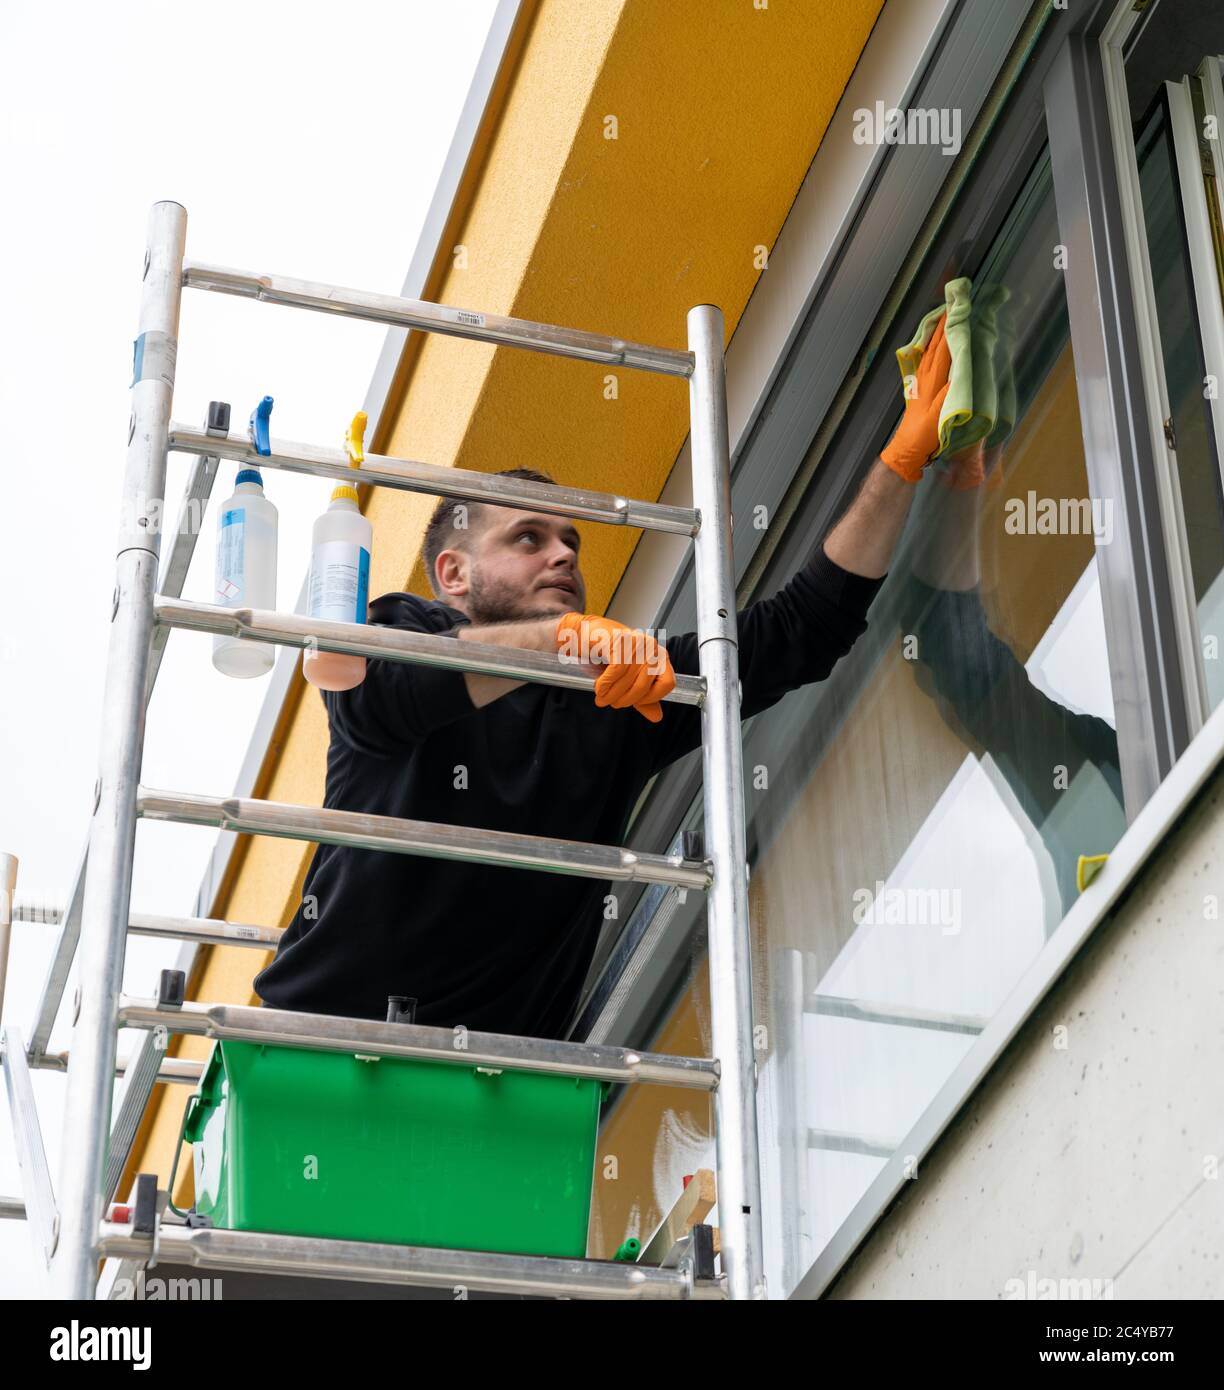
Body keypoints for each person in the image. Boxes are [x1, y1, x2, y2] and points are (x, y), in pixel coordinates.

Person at [253, 315, 957, 1039]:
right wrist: (563, 639)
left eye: (571, 542)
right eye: (528, 538)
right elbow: (381, 702)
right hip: (315, 1052)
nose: (562, 556)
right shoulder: (404, 633)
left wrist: (903, 461)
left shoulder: (610, 699)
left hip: (496, 1094)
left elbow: (798, 634)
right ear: (453, 574)